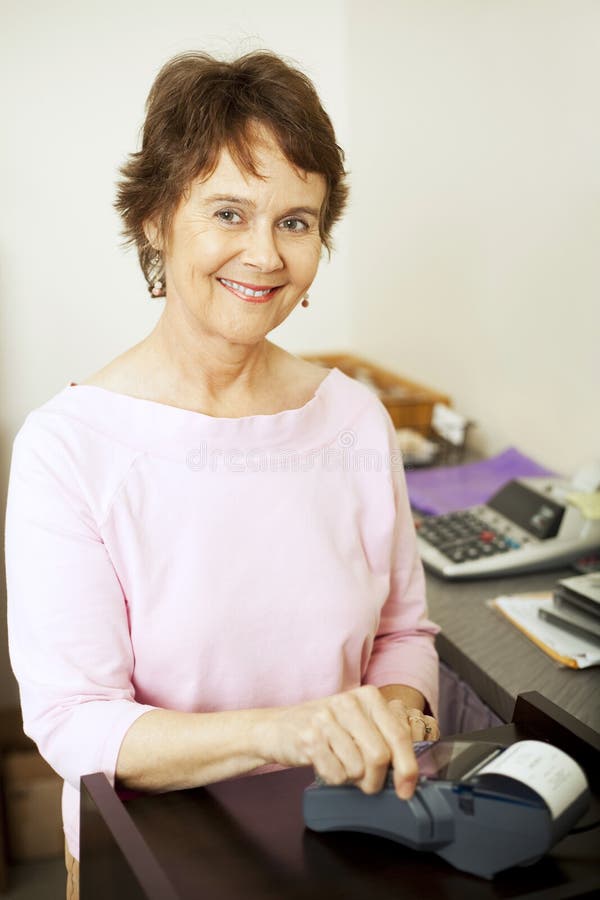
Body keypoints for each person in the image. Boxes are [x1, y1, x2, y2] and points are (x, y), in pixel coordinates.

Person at [5, 50, 440, 898]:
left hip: (347, 834)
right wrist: (291, 732)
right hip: (156, 854)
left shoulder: (353, 418)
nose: (265, 255)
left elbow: (403, 634)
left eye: (296, 221)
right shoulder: (69, 446)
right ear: (156, 223)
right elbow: (74, 722)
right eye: (229, 212)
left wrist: (391, 712)